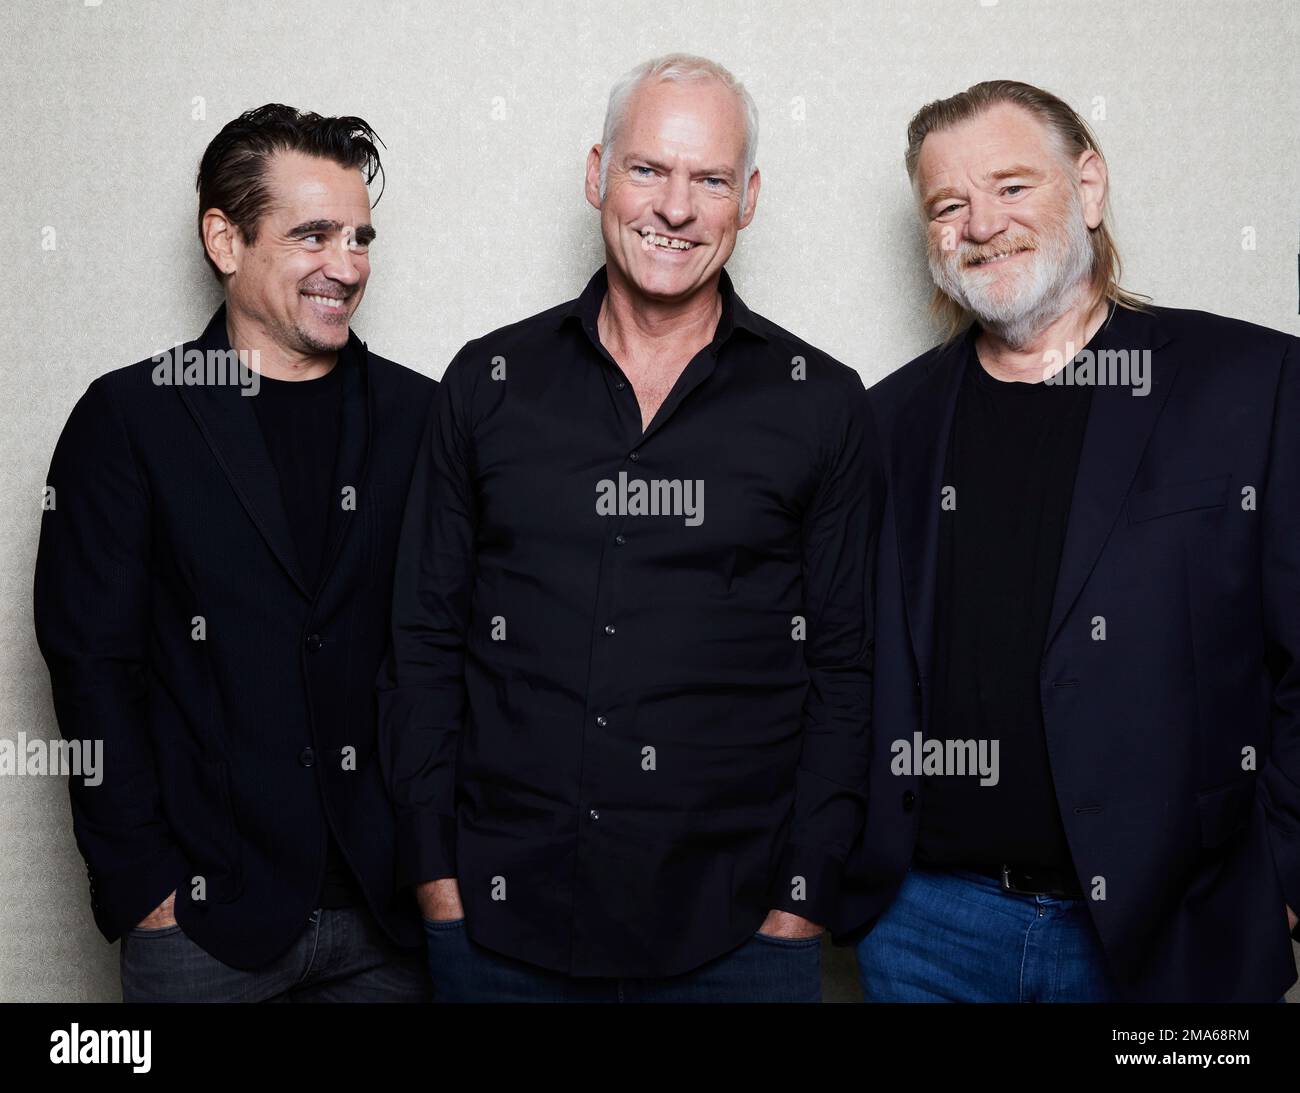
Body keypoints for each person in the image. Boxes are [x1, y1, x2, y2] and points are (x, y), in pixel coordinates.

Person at [378, 54, 882, 1002]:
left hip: (738, 939)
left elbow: (846, 671)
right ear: (596, 175)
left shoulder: (823, 404)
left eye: (711, 179)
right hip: (495, 926)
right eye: (648, 169)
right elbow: (422, 641)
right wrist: (434, 881)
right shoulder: (486, 384)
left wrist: (800, 905)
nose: (676, 207)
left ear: (750, 199)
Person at [845, 79, 1300, 1002]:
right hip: (925, 930)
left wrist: (1283, 884)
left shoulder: (1254, 384)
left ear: (1088, 189)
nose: (981, 223)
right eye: (948, 203)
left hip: (1175, 928)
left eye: (1013, 187)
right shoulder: (884, 422)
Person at [34, 104, 435, 1002]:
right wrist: (146, 889)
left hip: (389, 923)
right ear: (224, 238)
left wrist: (442, 874)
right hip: (203, 929)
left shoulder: (425, 418)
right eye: (314, 235)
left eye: (361, 237)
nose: (348, 264)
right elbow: (91, 666)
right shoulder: (129, 419)